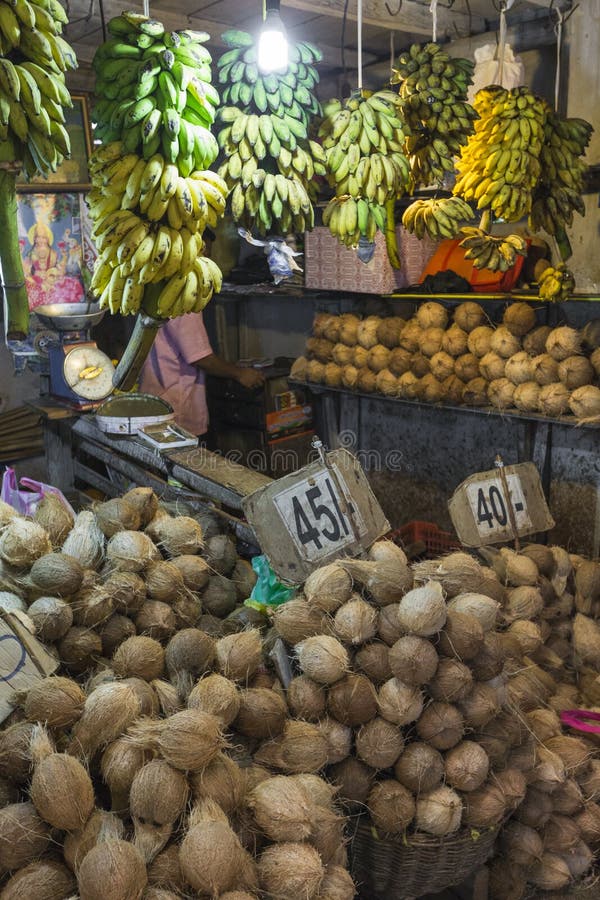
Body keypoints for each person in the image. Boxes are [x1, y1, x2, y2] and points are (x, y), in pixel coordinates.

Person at [138, 311, 264, 438]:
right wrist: (240, 374)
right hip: (178, 414)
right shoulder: (185, 306)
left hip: (152, 406)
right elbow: (200, 358)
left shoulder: (154, 300)